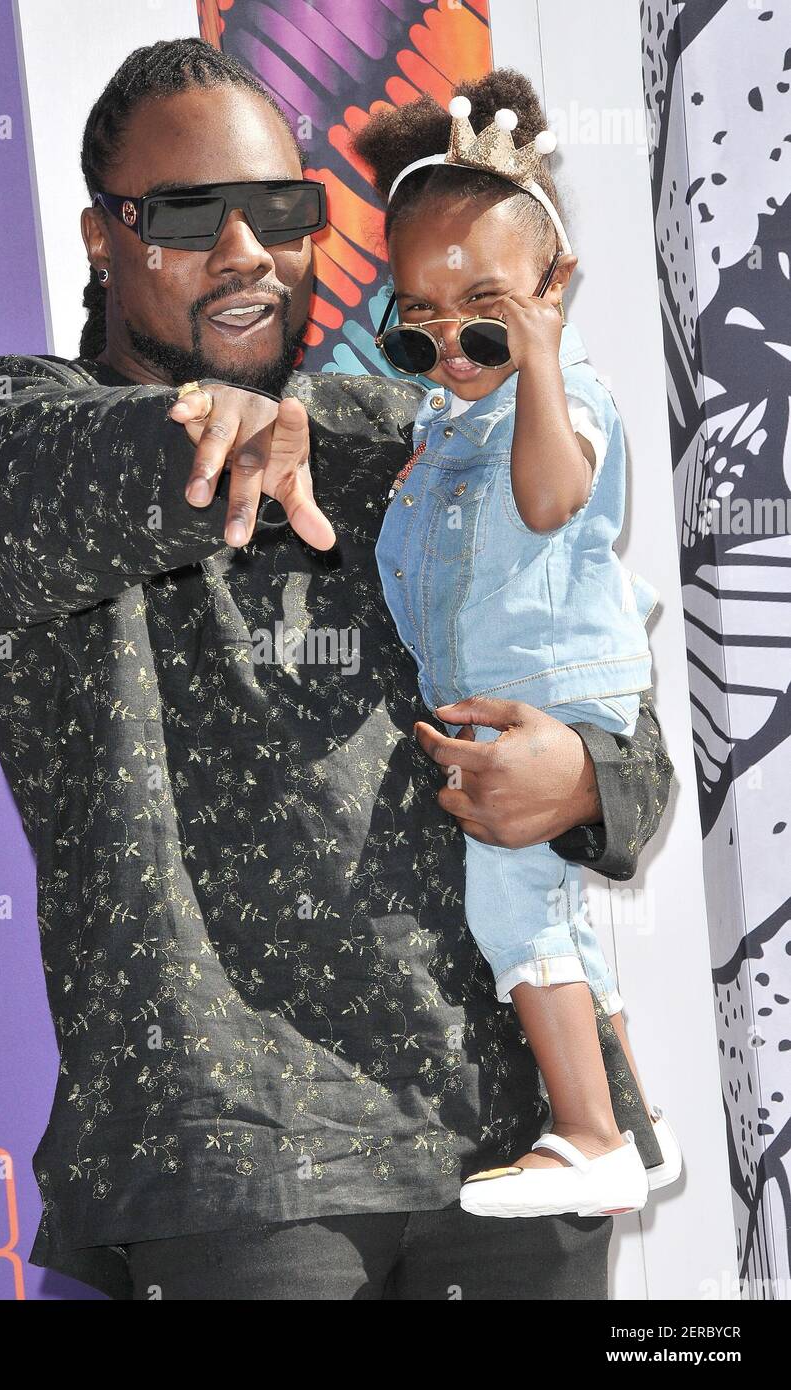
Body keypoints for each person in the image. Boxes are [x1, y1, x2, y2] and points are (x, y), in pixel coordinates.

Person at [0, 38, 673, 1300]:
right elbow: (67, 474)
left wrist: (583, 775)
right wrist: (202, 427)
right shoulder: (11, 427)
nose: (241, 252)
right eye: (184, 215)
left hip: (516, 1139)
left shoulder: (414, 442)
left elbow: (621, 730)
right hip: (229, 1171)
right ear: (100, 236)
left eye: (278, 211)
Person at [354, 69, 684, 1222]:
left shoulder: (564, 393)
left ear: (554, 288)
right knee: (550, 915)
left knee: (518, 912)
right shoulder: (450, 415)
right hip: (500, 694)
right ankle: (629, 1119)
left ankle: (588, 1132)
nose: (452, 348)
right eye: (417, 330)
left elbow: (550, 500)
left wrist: (536, 360)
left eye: (486, 313)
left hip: (550, 695)